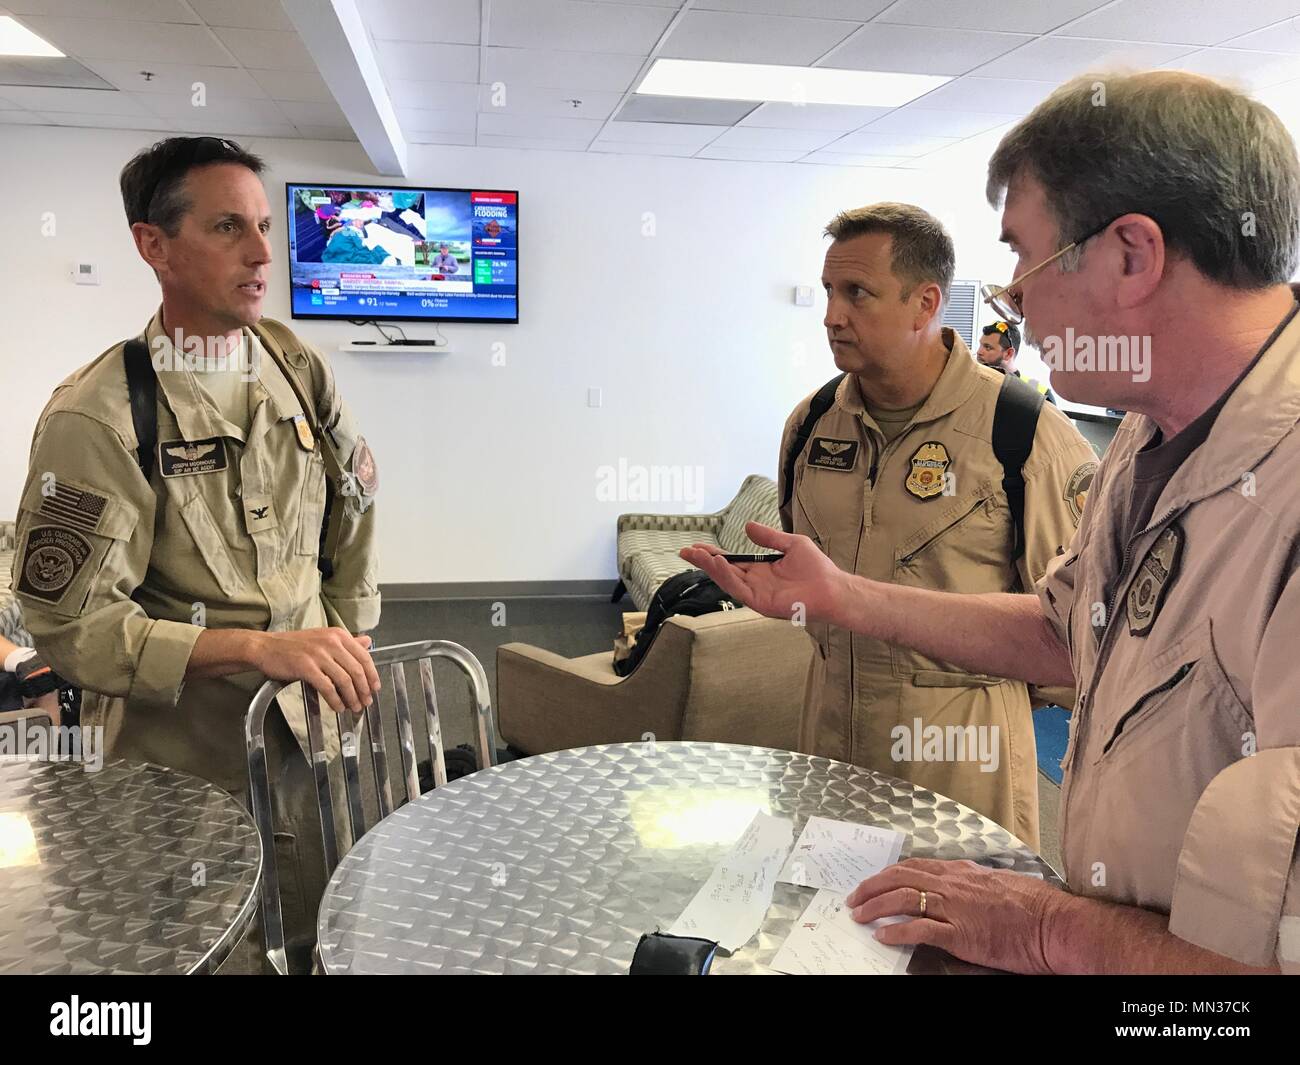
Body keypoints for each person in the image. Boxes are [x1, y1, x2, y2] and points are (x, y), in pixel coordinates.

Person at [684, 70, 1300, 974]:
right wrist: (845, 596)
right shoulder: (1146, 434)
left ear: (1133, 254)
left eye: (1029, 258)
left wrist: (1050, 928)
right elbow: (1065, 629)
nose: (1011, 296)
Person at [12, 135, 382, 970]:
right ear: (154, 245)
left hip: (314, 734)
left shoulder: (295, 365)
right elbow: (71, 631)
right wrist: (252, 645)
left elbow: (353, 507)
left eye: (263, 226)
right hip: (184, 766)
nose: (261, 254)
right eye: (227, 228)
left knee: (328, 928)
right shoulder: (98, 415)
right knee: (208, 948)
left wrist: (349, 639)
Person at [769, 202, 1096, 849]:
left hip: (959, 772)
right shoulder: (811, 425)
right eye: (831, 291)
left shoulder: (1025, 434)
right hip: (830, 748)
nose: (833, 314)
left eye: (857, 292)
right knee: (825, 938)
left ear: (925, 303)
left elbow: (1078, 639)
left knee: (956, 947)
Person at [975, 321, 1056, 403]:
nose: (979, 352)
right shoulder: (973, 385)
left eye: (988, 347)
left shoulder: (1041, 395)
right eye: (980, 345)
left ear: (1008, 354)